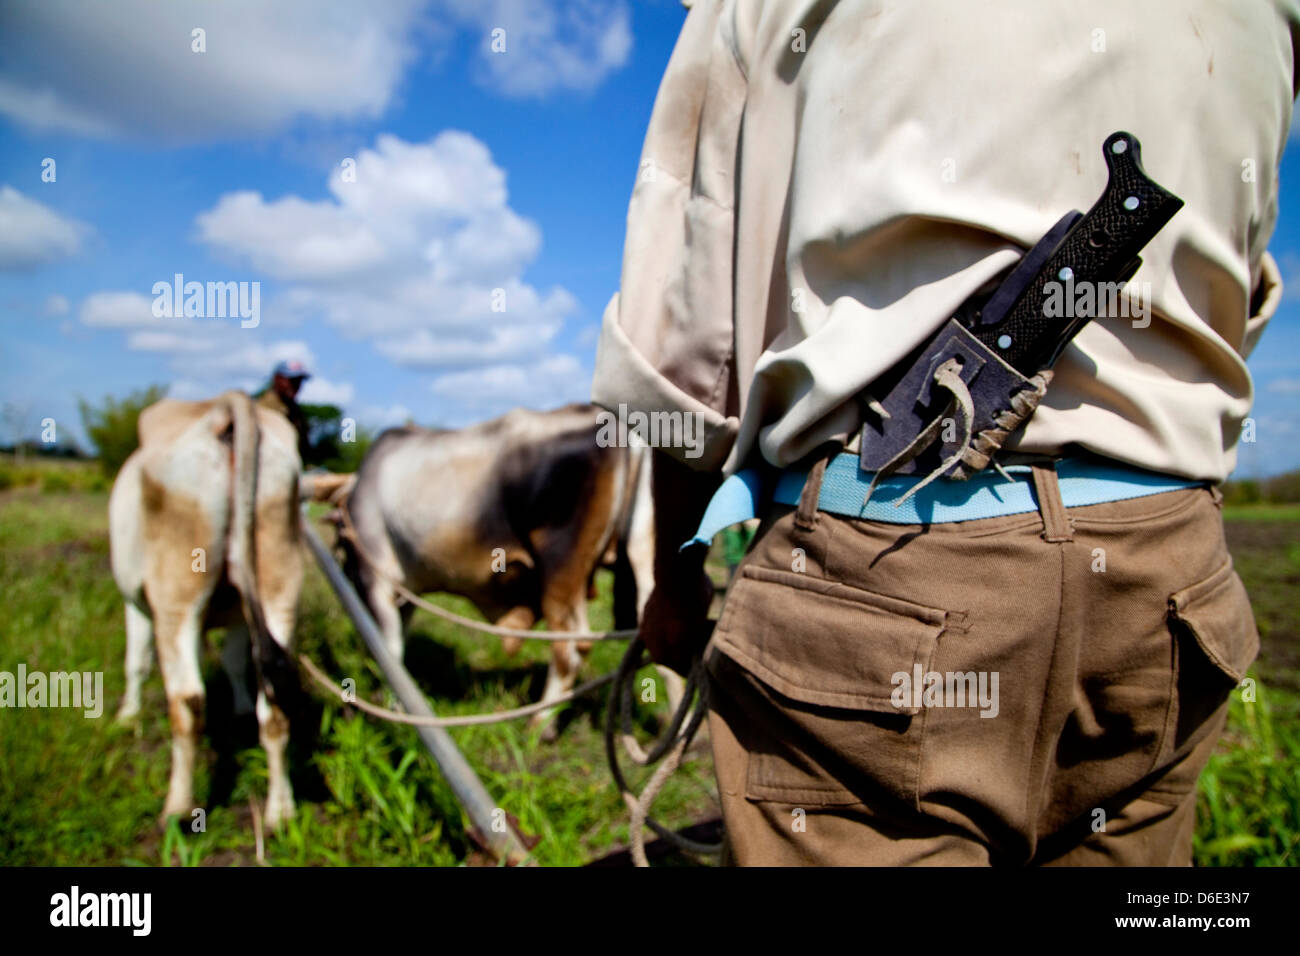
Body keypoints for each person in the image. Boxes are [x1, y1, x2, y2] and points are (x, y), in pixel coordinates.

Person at [592, 0, 1297, 865]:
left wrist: (673, 578)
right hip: (1171, 579)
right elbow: (1244, 288)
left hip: (881, 572)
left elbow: (683, 350)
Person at [256, 359, 312, 463]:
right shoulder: (263, 409)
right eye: (291, 380)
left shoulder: (295, 411)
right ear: (277, 379)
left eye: (299, 381)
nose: (296, 385)